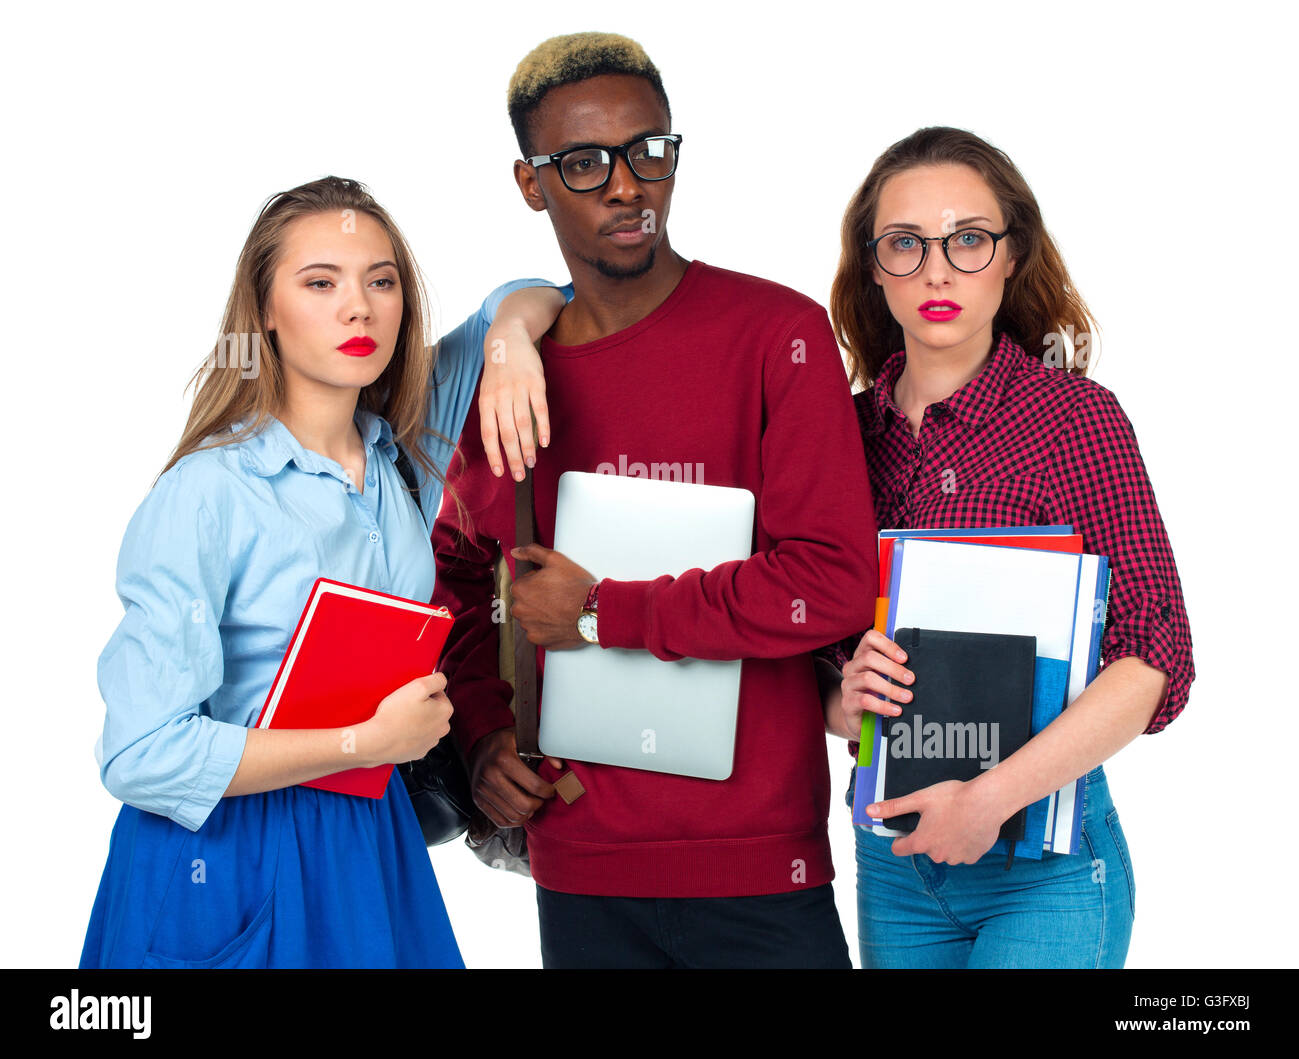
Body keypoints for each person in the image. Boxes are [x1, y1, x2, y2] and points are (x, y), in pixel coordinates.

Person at [430, 32, 877, 970]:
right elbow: (456, 570)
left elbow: (832, 583)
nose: (627, 186)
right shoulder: (519, 378)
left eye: (649, 151)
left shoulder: (779, 335)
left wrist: (602, 610)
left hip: (759, 860)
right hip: (582, 856)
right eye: (584, 164)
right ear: (530, 183)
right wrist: (479, 731)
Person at [79, 175, 565, 968]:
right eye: (320, 283)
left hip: (368, 842)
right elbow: (141, 751)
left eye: (382, 281)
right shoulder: (208, 492)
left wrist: (509, 342)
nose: (359, 308)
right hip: (227, 855)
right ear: (264, 311)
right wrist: (359, 741)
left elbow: (538, 292)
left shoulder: (405, 445)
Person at [816, 127, 1195, 968]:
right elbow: (802, 651)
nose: (938, 269)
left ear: (1011, 254)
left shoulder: (1075, 421)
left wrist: (990, 799)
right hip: (893, 858)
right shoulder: (837, 435)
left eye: (969, 239)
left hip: (1044, 866)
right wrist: (842, 702)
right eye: (905, 244)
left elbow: (1157, 655)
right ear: (874, 267)